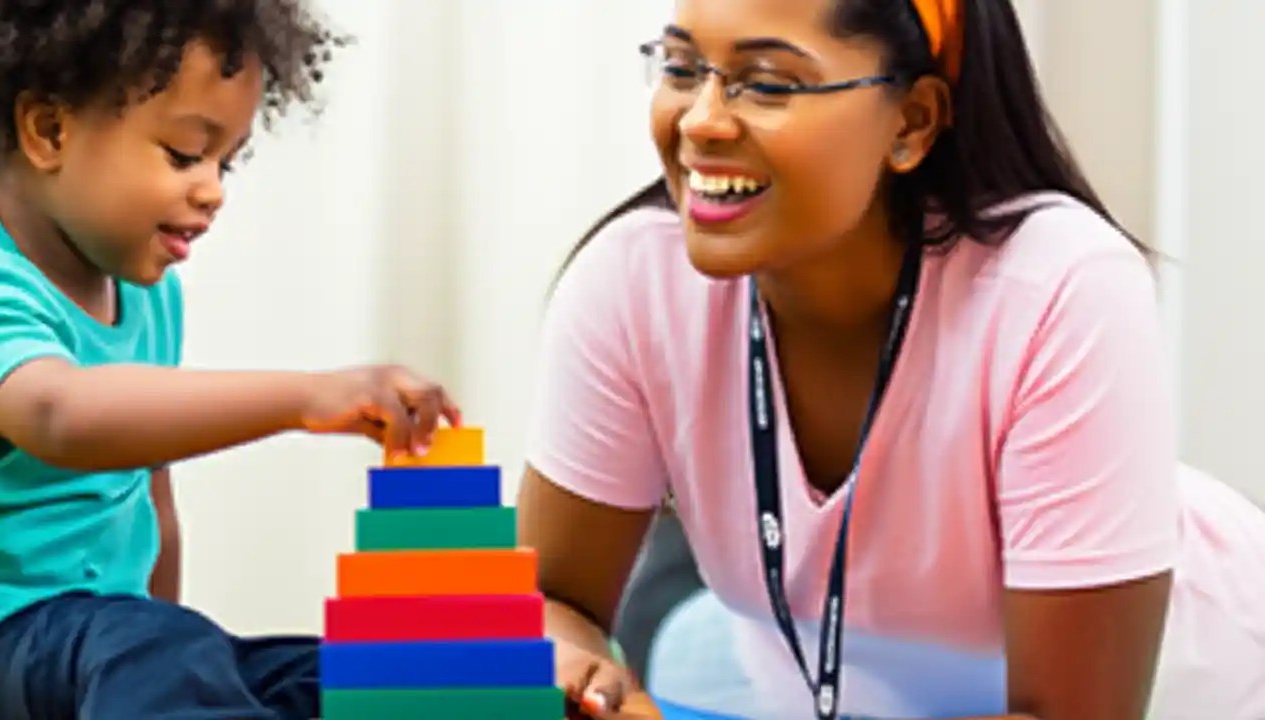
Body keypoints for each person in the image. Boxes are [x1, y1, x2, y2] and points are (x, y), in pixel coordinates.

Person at [517, 0, 1265, 718]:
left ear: (911, 121)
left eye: (769, 83)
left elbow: (1070, 715)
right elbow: (553, 604)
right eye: (682, 69)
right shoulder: (632, 278)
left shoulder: (1061, 286)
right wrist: (574, 666)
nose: (702, 119)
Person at [0, 2, 460, 718]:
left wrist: (171, 640)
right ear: (49, 130)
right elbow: (60, 413)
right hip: (5, 643)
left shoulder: (149, 298)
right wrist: (303, 398)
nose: (213, 191)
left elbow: (155, 507)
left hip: (109, 644)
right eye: (184, 155)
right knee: (159, 649)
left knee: (333, 675)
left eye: (226, 162)